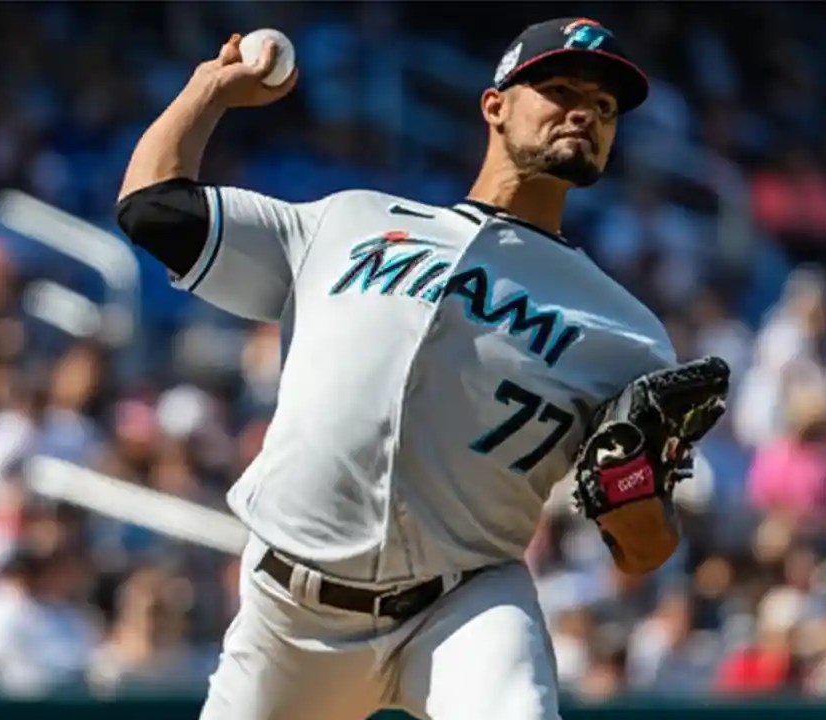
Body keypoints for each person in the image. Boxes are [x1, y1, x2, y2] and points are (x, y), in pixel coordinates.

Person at [116, 17, 704, 719]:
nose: (586, 113)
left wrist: (630, 485)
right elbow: (153, 209)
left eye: (604, 106)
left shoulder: (628, 335)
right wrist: (209, 89)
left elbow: (643, 552)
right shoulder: (349, 221)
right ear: (494, 106)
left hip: (463, 605)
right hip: (289, 616)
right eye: (561, 91)